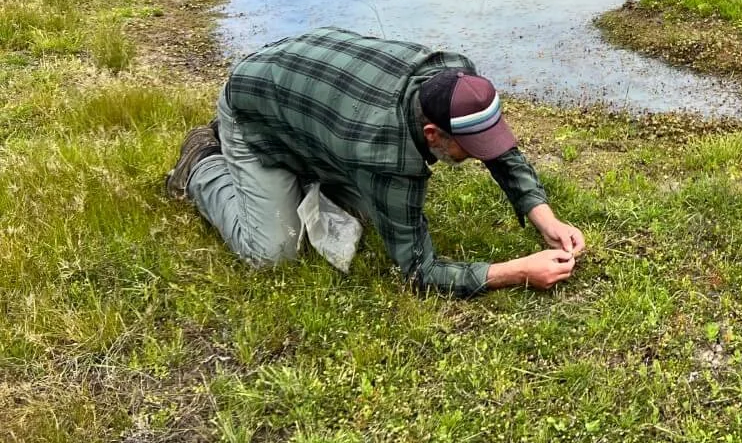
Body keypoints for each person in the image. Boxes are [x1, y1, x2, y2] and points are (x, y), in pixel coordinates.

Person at [165, 27, 584, 295]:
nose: (481, 155)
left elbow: (499, 149)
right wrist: (515, 271)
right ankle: (203, 161)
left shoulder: (456, 80)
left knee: (365, 212)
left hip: (306, 93)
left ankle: (305, 164)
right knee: (273, 254)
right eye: (471, 148)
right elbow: (419, 270)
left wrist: (544, 218)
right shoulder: (383, 153)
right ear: (432, 135)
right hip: (253, 105)